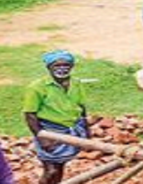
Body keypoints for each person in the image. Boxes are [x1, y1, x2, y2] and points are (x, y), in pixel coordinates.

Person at [23, 50, 89, 184]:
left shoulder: (77, 83)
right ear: (49, 68)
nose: (62, 69)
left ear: (72, 67)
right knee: (51, 170)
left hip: (71, 128)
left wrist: (86, 129)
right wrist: (42, 138)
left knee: (60, 166)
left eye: (66, 65)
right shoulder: (37, 87)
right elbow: (30, 114)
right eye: (57, 66)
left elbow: (81, 107)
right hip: (50, 131)